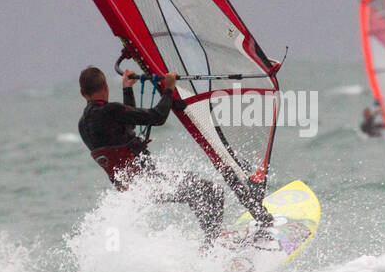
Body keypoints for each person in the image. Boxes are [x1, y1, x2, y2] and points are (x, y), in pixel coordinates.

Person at [77, 65, 272, 243]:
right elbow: (157, 117)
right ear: (104, 86)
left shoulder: (84, 125)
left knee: (197, 191)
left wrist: (128, 89)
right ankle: (214, 246)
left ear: (82, 92)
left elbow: (129, 125)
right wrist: (169, 88)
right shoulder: (110, 111)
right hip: (149, 181)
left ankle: (215, 237)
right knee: (210, 191)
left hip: (130, 189)